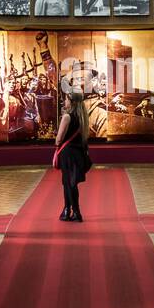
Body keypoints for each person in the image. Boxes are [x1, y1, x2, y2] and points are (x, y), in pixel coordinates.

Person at [54, 89, 92, 222]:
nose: (64, 101)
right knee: (69, 182)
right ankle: (66, 210)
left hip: (68, 153)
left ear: (72, 101)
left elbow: (58, 139)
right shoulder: (83, 116)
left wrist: (57, 139)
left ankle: (75, 212)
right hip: (79, 153)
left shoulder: (67, 117)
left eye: (66, 99)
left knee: (69, 183)